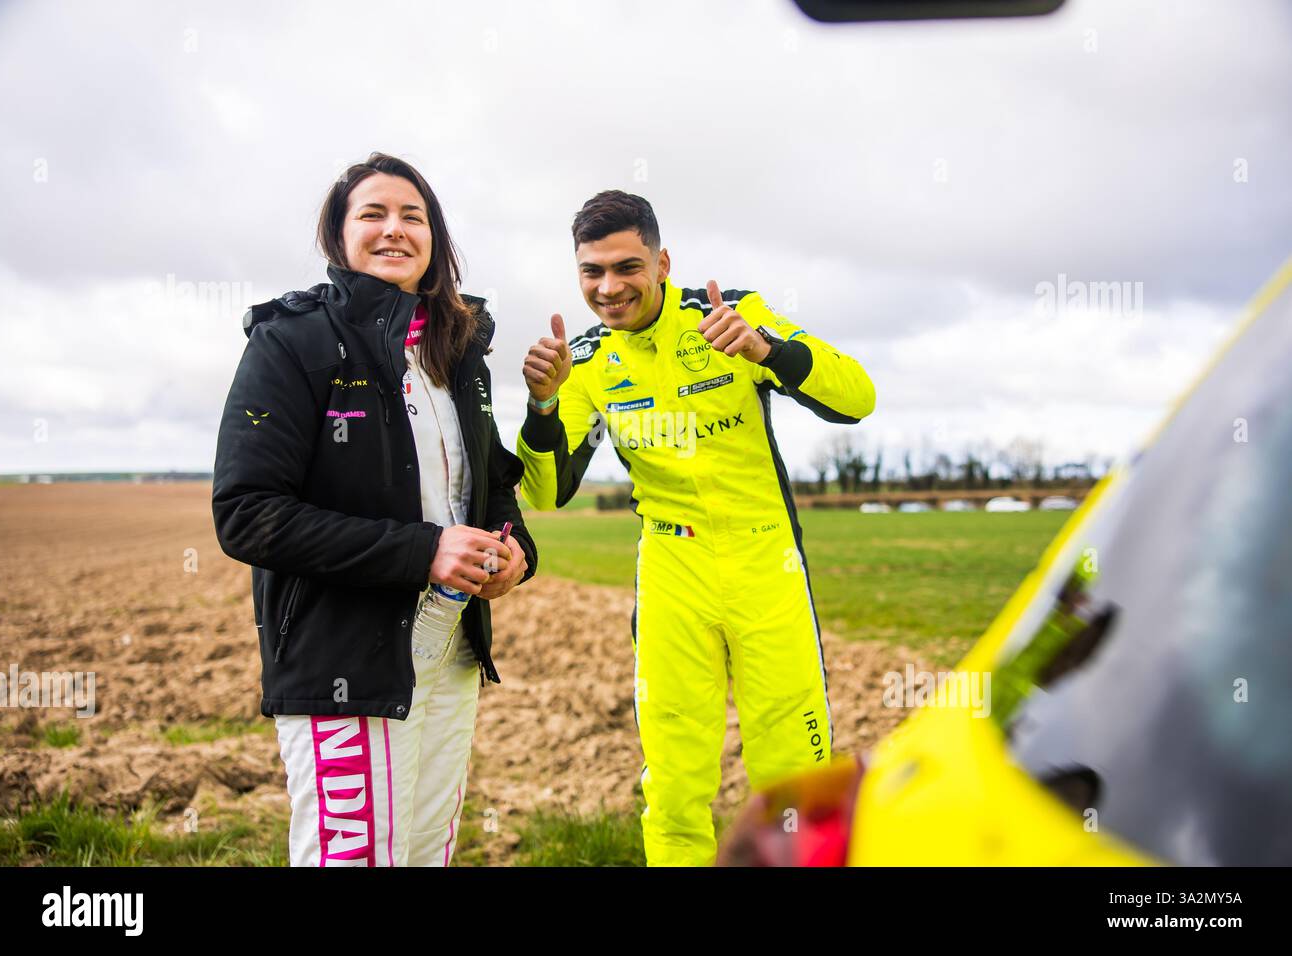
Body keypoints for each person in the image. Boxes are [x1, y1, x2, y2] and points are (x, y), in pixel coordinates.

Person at [517, 190, 876, 866]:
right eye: (591, 272)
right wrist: (540, 408)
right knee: (675, 781)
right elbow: (547, 489)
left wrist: (768, 350)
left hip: (765, 562)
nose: (609, 287)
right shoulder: (586, 360)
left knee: (792, 772)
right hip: (671, 572)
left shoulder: (729, 314)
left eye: (626, 266)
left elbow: (858, 396)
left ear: (662, 262)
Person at [212, 152, 536, 866]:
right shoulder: (290, 341)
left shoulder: (458, 353)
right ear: (340, 235)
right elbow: (247, 512)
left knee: (425, 854)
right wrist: (424, 550)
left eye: (412, 216)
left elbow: (491, 488)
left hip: (450, 653)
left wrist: (515, 553)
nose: (395, 229)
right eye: (373, 214)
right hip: (347, 659)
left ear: (435, 239)